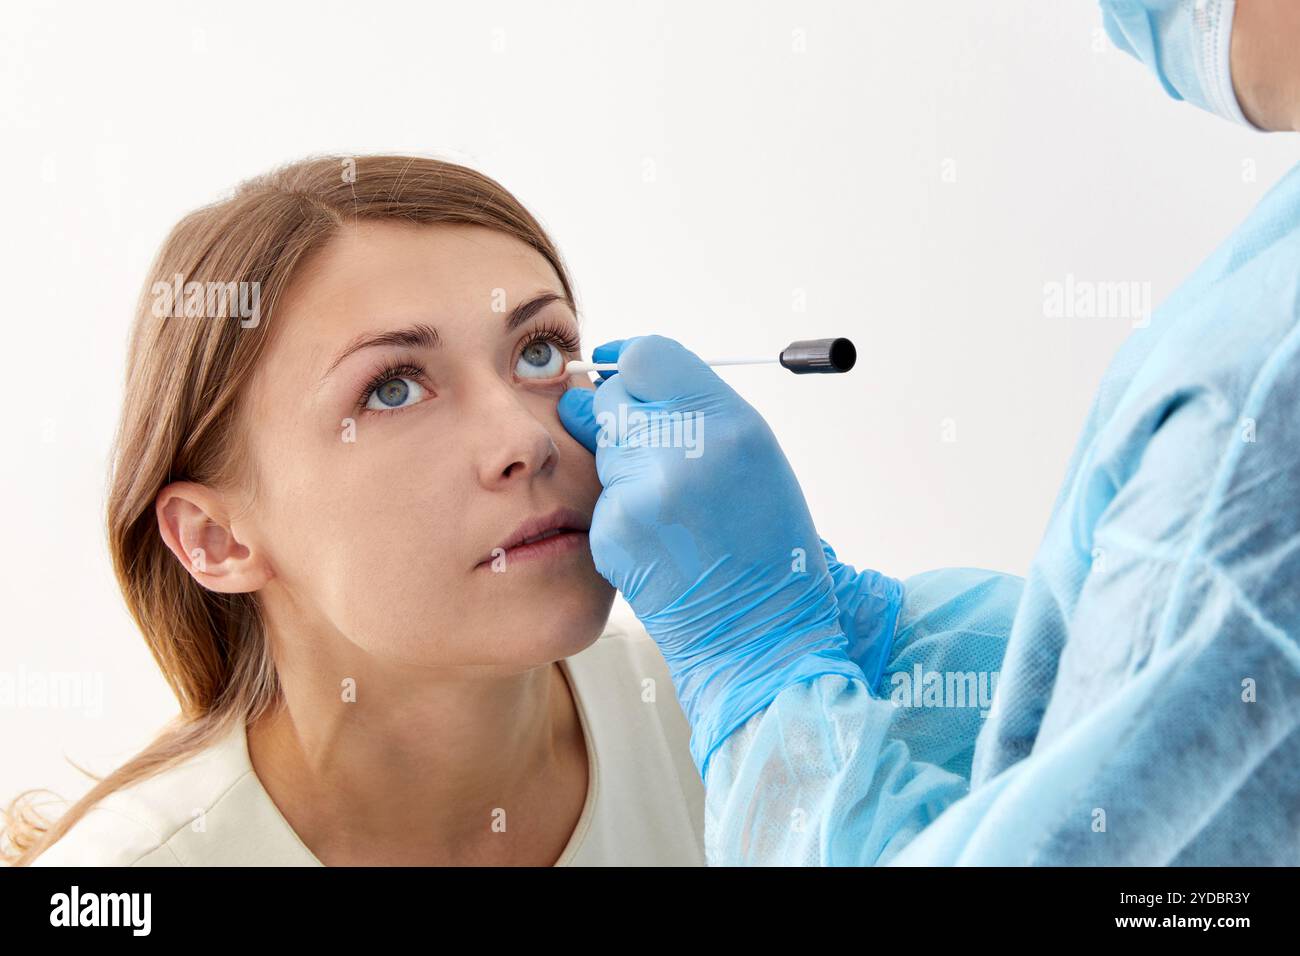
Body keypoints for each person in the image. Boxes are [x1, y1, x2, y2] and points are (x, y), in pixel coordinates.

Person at [556, 0, 1300, 864]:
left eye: (541, 352)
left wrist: (759, 672)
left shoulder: (1256, 394)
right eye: (392, 387)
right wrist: (888, 650)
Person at [5, 155, 705, 867]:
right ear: (215, 539)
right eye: (392, 389)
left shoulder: (724, 713)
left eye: (538, 352)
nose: (524, 439)